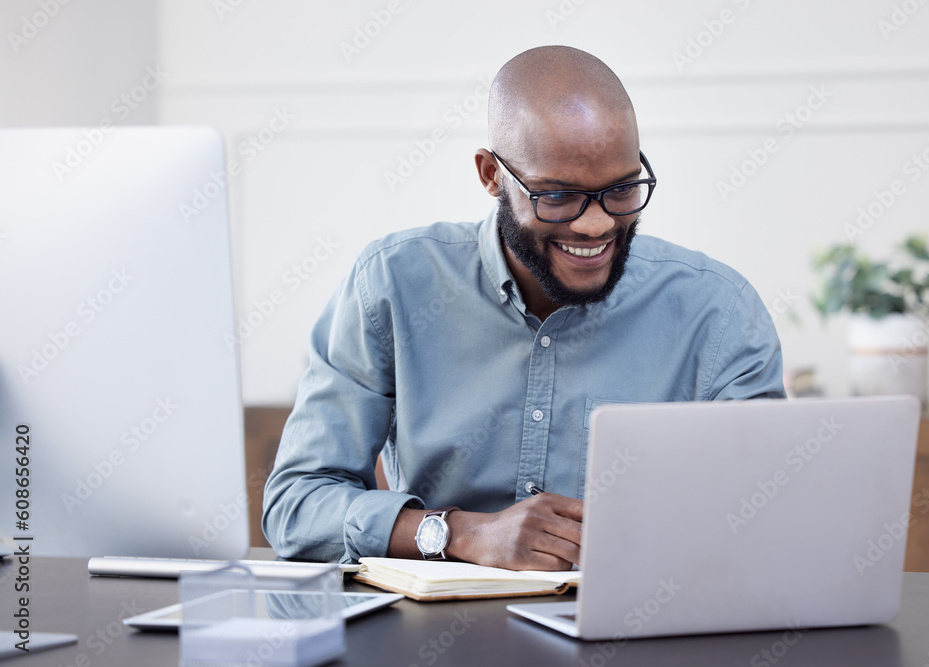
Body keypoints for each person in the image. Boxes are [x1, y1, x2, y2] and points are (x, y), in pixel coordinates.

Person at [262, 45, 785, 568]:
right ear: (492, 175)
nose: (596, 224)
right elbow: (297, 507)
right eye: (557, 197)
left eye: (622, 189)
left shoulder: (718, 312)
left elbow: (777, 516)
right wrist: (457, 533)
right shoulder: (392, 285)